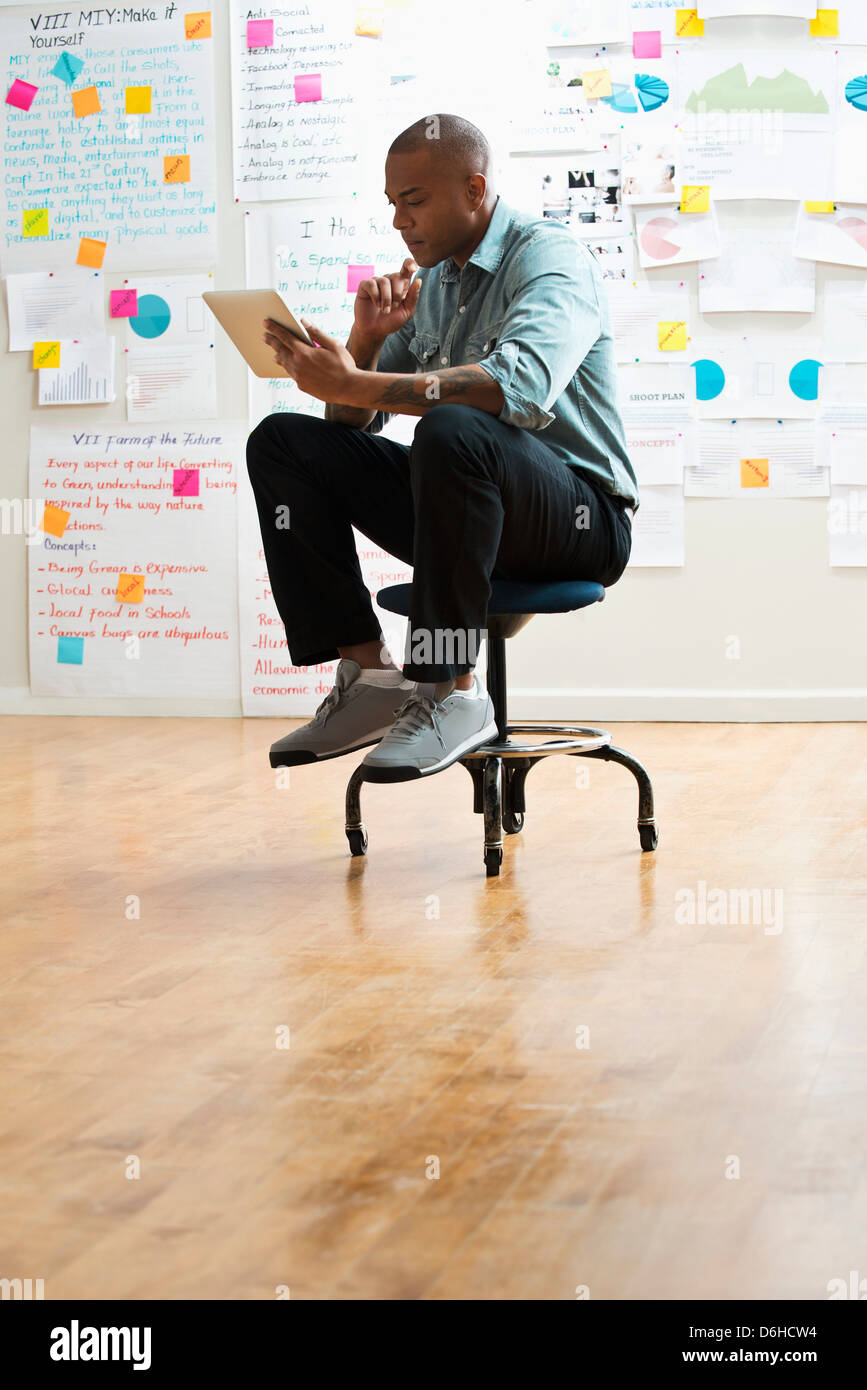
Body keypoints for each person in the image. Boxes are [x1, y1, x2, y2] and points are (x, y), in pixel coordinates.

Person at [246, 113, 639, 783]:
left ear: (473, 188)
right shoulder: (433, 286)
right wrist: (364, 343)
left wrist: (357, 376)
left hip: (578, 520)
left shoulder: (549, 257)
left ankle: (450, 690)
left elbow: (517, 385)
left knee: (454, 425)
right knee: (284, 441)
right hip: (464, 510)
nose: (400, 221)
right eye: (393, 204)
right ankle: (370, 680)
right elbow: (350, 423)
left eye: (415, 200)